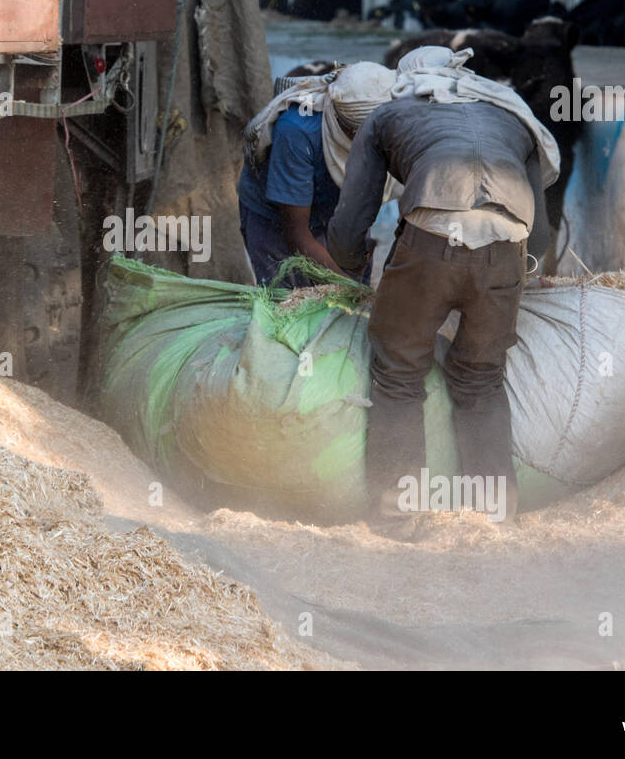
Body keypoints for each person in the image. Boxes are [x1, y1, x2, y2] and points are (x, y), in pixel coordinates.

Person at [326, 46, 559, 521]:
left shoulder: (388, 114)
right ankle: (495, 516)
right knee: (481, 377)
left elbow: (352, 223)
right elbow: (541, 235)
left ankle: (398, 514)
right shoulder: (513, 116)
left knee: (398, 372)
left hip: (431, 239)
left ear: (403, 80)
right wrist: (516, 278)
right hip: (507, 244)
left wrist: (352, 271)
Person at [238, 62, 397, 287]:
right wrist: (351, 288)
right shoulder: (297, 130)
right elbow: (296, 234)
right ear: (346, 127)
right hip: (276, 218)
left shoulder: (397, 124)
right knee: (290, 302)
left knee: (350, 301)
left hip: (339, 205)